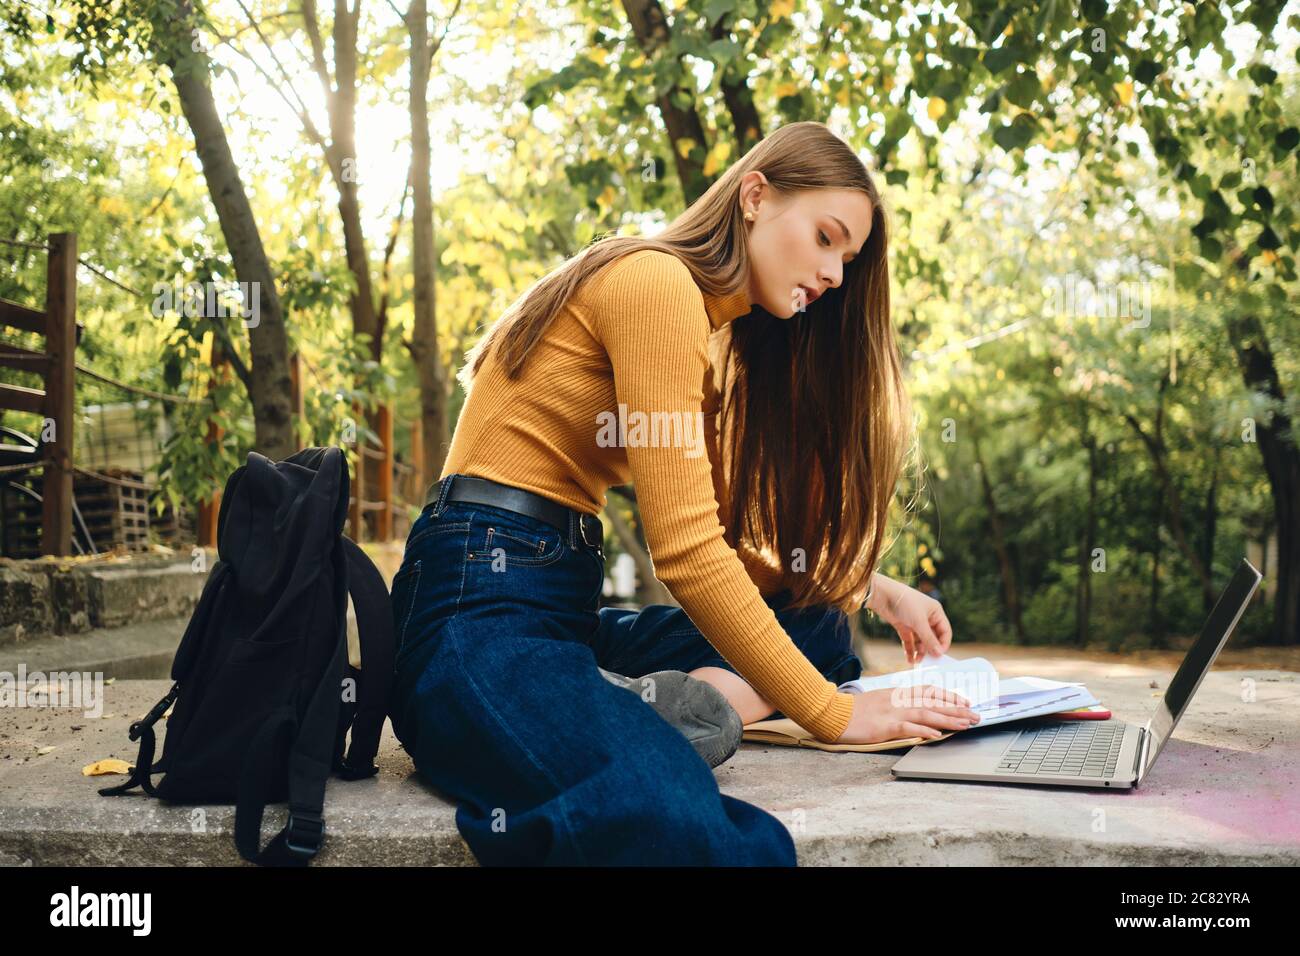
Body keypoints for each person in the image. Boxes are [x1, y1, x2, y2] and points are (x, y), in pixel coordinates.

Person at [388, 120, 979, 866]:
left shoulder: (700, 336)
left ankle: (619, 707)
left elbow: (724, 540)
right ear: (755, 196)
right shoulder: (656, 283)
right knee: (661, 806)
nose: (834, 274)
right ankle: (623, 729)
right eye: (827, 237)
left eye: (848, 260)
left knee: (818, 622)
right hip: (474, 611)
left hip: (558, 608)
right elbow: (688, 556)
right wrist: (836, 715)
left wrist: (875, 591)